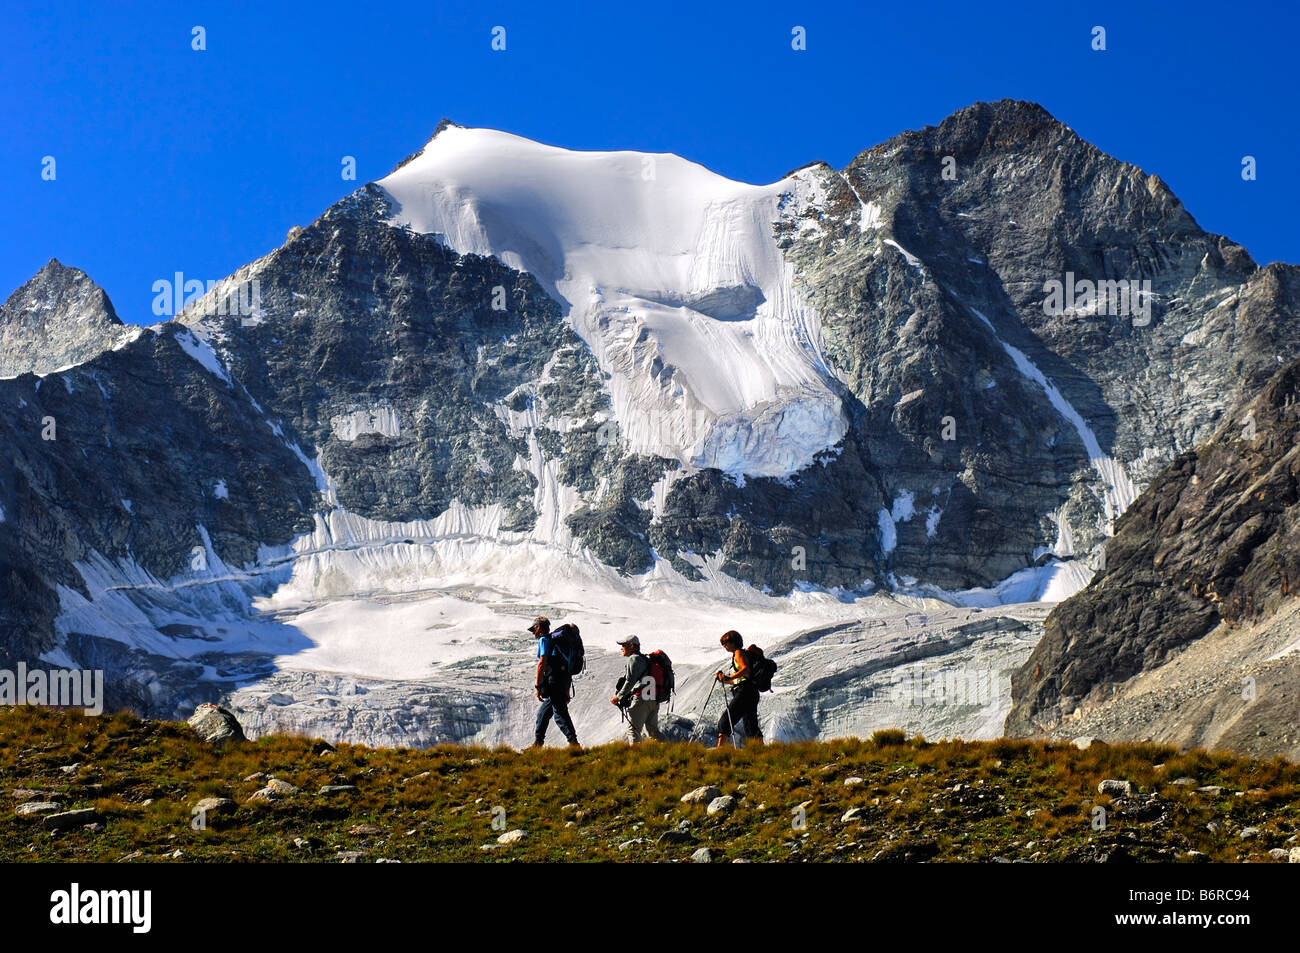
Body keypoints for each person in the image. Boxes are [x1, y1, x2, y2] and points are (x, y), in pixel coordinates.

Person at [530, 616, 580, 748]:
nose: (533, 632)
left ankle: (574, 744)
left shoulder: (544, 640)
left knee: (559, 713)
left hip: (554, 681)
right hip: (563, 680)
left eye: (533, 629)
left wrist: (538, 686)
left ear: (539, 627)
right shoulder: (555, 642)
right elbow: (564, 670)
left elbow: (542, 663)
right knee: (543, 713)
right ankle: (538, 743)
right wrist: (566, 690)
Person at [714, 629, 763, 747]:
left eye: (726, 643)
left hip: (744, 692)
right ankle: (760, 750)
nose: (724, 646)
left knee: (726, 720)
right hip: (751, 691)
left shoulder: (738, 653)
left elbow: (745, 669)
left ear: (733, 642)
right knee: (750, 724)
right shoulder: (742, 653)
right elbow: (741, 677)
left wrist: (728, 677)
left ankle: (720, 749)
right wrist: (725, 679)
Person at [610, 635, 660, 743]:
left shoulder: (633, 659)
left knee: (633, 731)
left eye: (623, 645)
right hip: (653, 699)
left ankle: (636, 756)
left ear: (631, 646)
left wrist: (618, 697)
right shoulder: (645, 659)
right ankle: (665, 752)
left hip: (641, 700)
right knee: (653, 731)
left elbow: (630, 681)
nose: (621, 648)